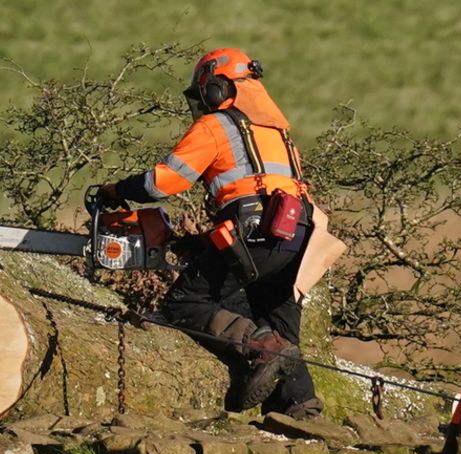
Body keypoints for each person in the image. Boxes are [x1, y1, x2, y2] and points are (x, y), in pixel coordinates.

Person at [98, 48, 323, 419]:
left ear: (217, 89)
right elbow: (264, 190)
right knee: (278, 318)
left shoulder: (216, 126)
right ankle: (300, 409)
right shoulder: (279, 134)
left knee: (184, 303)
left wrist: (116, 190)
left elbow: (161, 183)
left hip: (255, 232)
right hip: (298, 237)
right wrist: (204, 243)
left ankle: (262, 346)